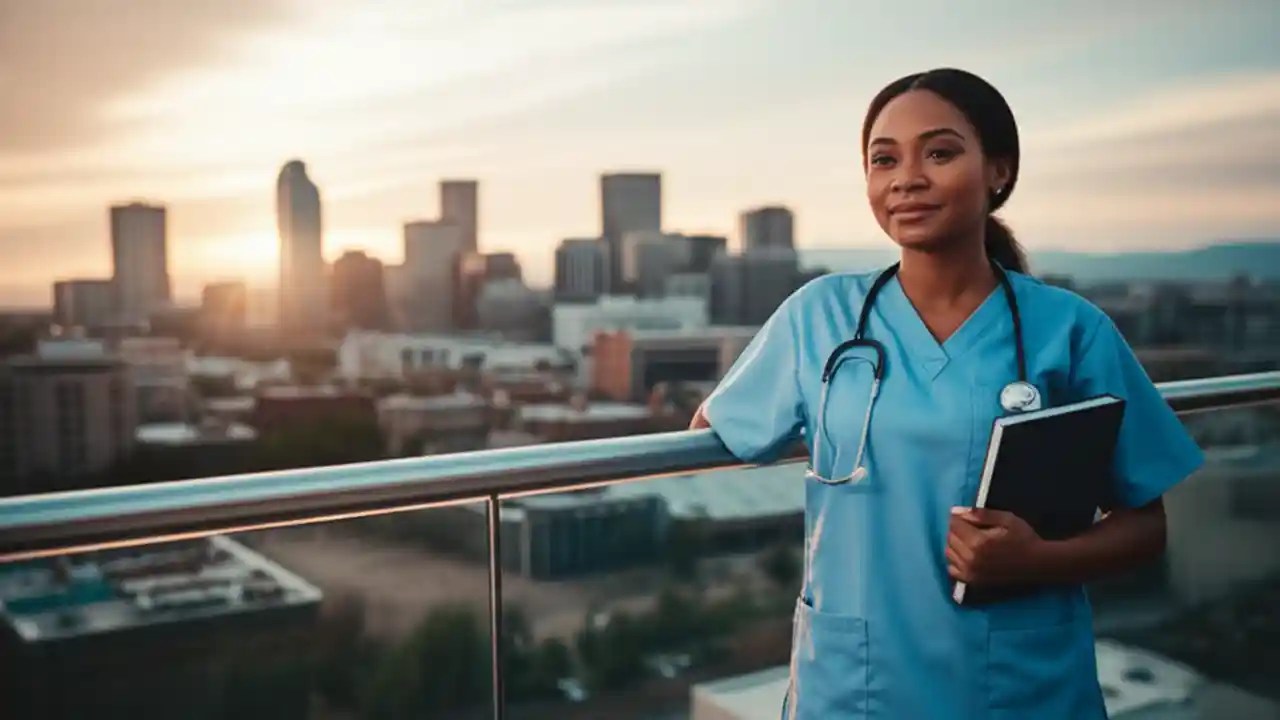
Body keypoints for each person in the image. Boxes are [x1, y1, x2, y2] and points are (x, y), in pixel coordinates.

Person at [690, 68, 1204, 719]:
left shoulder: (1069, 330)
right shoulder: (817, 316)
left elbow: (1144, 527)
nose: (906, 178)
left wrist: (1038, 559)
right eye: (884, 159)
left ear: (998, 170)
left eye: (939, 152)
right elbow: (719, 425)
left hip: (1019, 687)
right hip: (856, 686)